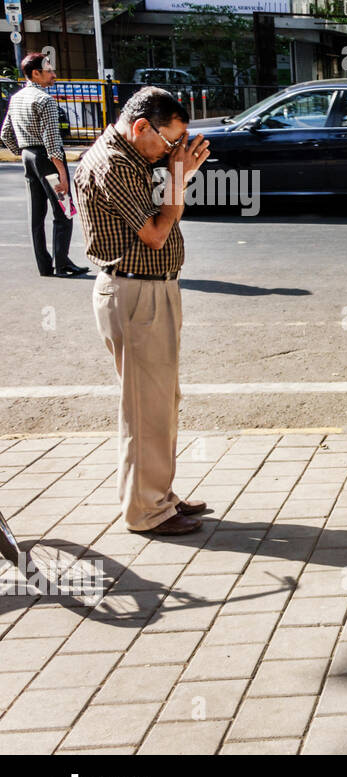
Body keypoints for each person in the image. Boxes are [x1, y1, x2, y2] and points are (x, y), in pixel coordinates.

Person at [73, 87, 211, 536]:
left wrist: (175, 174)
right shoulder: (114, 163)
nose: (172, 150)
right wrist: (178, 179)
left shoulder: (134, 159)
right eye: (169, 141)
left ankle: (158, 493)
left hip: (150, 290)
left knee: (161, 402)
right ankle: (145, 510)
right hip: (135, 293)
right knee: (145, 408)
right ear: (140, 127)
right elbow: (155, 233)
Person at [1, 52, 88, 276]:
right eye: (49, 71)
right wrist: (63, 176)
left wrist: (22, 152)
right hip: (47, 159)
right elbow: (52, 142)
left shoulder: (16, 98)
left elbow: (5, 134)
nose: (54, 75)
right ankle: (62, 263)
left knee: (36, 214)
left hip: (28, 156)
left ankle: (44, 265)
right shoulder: (45, 100)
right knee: (64, 210)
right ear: (35, 73)